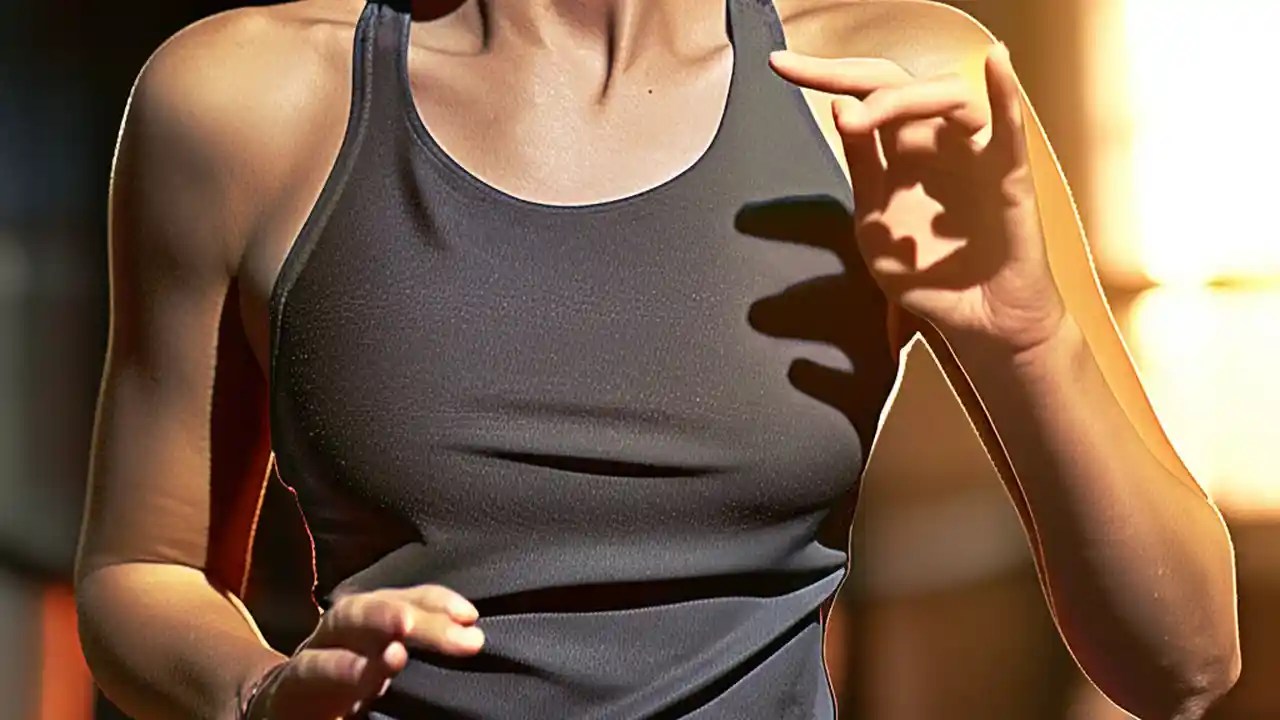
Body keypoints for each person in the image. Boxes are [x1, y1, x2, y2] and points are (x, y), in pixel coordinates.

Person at [73, 0, 1241, 718]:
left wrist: (1026, 338)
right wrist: (256, 694)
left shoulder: (902, 85)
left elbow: (1181, 669)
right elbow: (143, 572)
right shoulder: (239, 101)